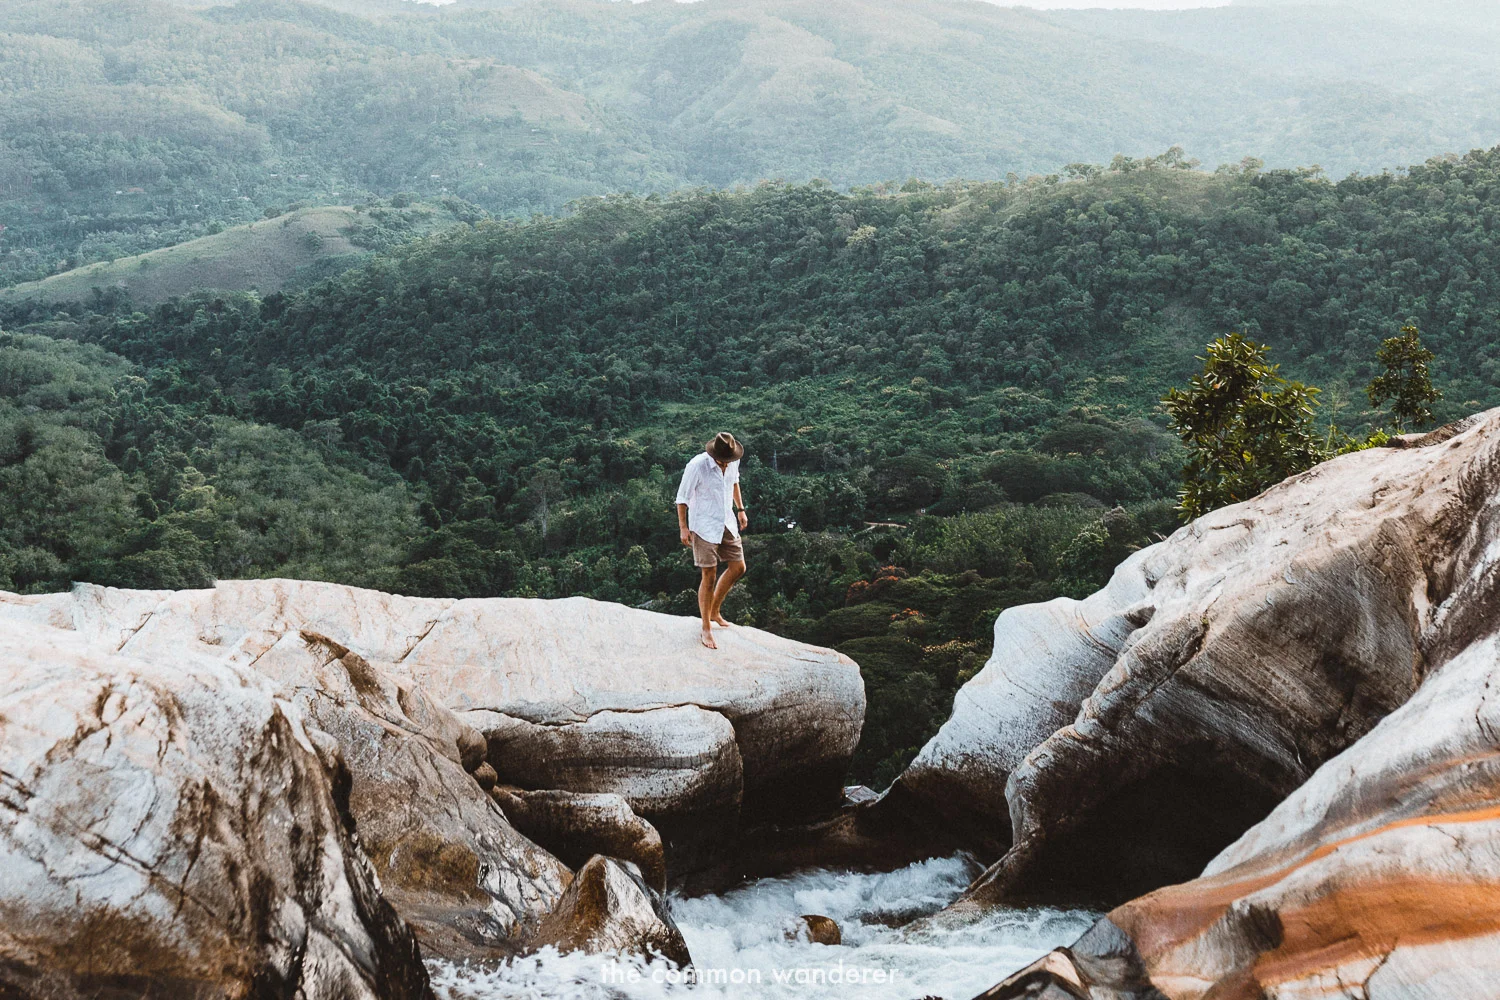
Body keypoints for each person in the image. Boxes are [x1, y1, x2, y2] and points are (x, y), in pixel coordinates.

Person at [675, 432, 749, 649]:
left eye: (728, 460)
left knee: (738, 567)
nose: (726, 464)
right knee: (709, 575)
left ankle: (715, 610)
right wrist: (683, 528)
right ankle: (706, 627)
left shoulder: (732, 461)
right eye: (722, 460)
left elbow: (734, 483)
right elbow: (682, 498)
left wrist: (741, 509)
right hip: (704, 524)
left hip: (726, 521)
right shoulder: (697, 466)